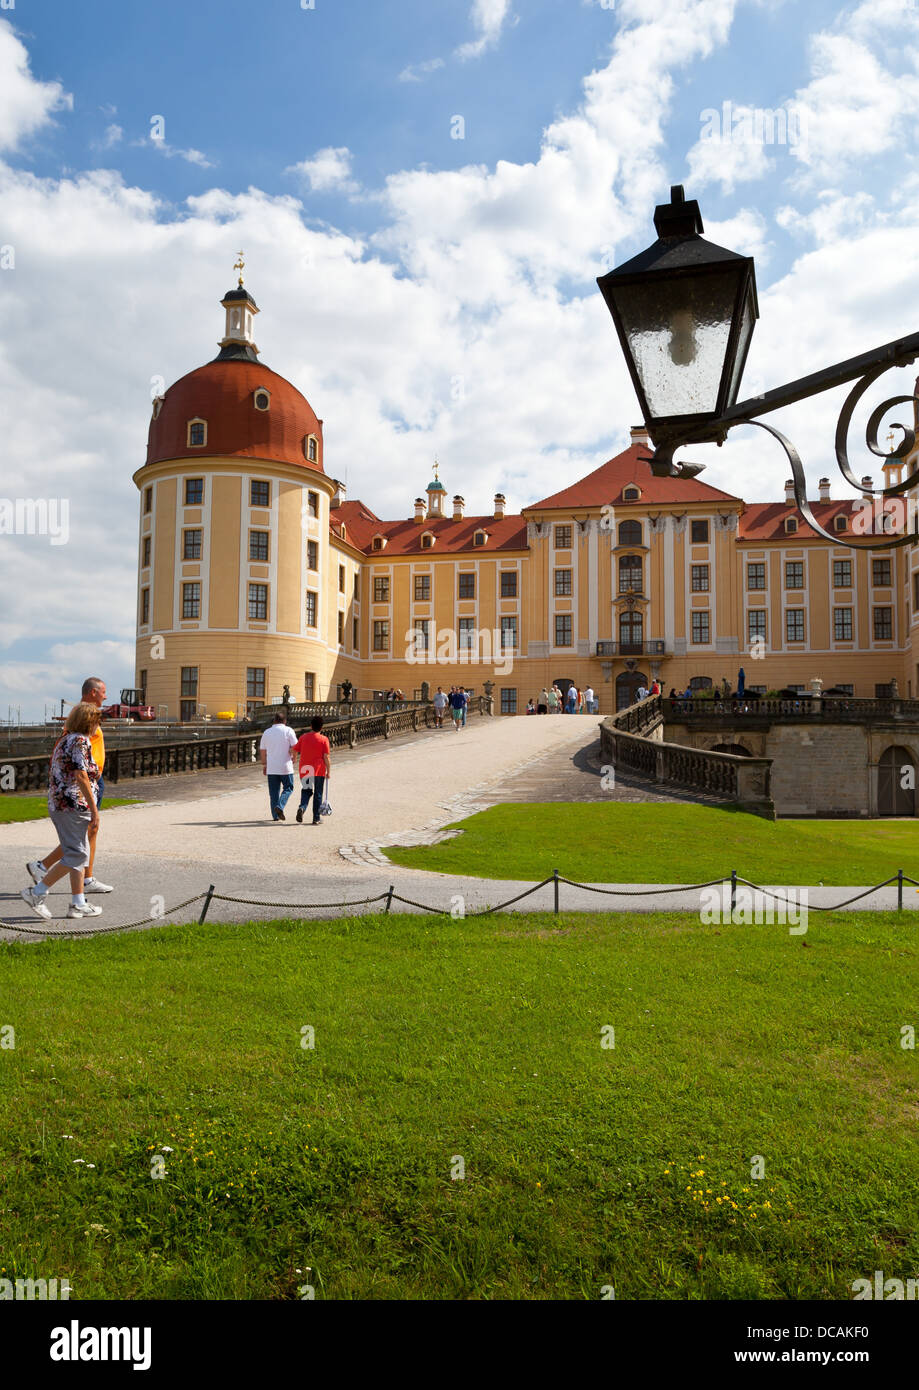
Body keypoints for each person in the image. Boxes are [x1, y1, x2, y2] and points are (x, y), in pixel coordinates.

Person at [28, 676, 112, 894]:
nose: (106, 695)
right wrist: (93, 805)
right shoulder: (79, 731)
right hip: (78, 791)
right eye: (103, 691)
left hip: (83, 786)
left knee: (81, 838)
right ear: (93, 692)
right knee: (82, 839)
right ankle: (43, 888)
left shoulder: (78, 723)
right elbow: (78, 770)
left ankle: (73, 893)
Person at [21, 702, 103, 920]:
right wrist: (94, 810)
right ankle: (36, 892)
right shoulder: (80, 741)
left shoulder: (65, 739)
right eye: (97, 721)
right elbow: (81, 776)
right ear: (89, 721)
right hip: (73, 805)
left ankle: (78, 903)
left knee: (78, 851)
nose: (98, 726)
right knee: (76, 854)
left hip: (61, 804)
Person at [259, 711, 297, 820]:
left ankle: (275, 816)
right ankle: (280, 806)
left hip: (272, 767)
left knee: (273, 793)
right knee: (288, 788)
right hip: (285, 766)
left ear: (274, 720)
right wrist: (294, 757)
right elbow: (295, 746)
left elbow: (262, 750)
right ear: (284, 721)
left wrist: (264, 764)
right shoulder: (288, 730)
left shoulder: (267, 732)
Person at [294, 716, 331, 825]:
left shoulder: (303, 737)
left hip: (305, 769)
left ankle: (302, 808)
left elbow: (294, 749)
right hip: (318, 770)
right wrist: (329, 771)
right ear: (321, 727)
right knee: (318, 793)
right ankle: (316, 818)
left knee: (306, 791)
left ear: (311, 726)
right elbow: (326, 757)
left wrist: (294, 758)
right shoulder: (324, 739)